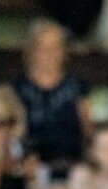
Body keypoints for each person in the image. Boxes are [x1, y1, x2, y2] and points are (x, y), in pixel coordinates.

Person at [12, 19, 94, 172]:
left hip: (71, 167)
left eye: (55, 48)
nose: (49, 54)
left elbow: (89, 130)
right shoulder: (18, 89)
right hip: (30, 170)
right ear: (32, 51)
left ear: (64, 51)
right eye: (43, 48)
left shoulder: (77, 86)